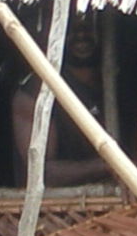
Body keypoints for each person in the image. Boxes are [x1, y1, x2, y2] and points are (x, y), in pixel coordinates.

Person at [10, 27, 113, 187]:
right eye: (72, 26)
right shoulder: (38, 93)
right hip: (56, 206)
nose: (81, 34)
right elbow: (42, 173)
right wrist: (110, 166)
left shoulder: (118, 87)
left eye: (90, 24)